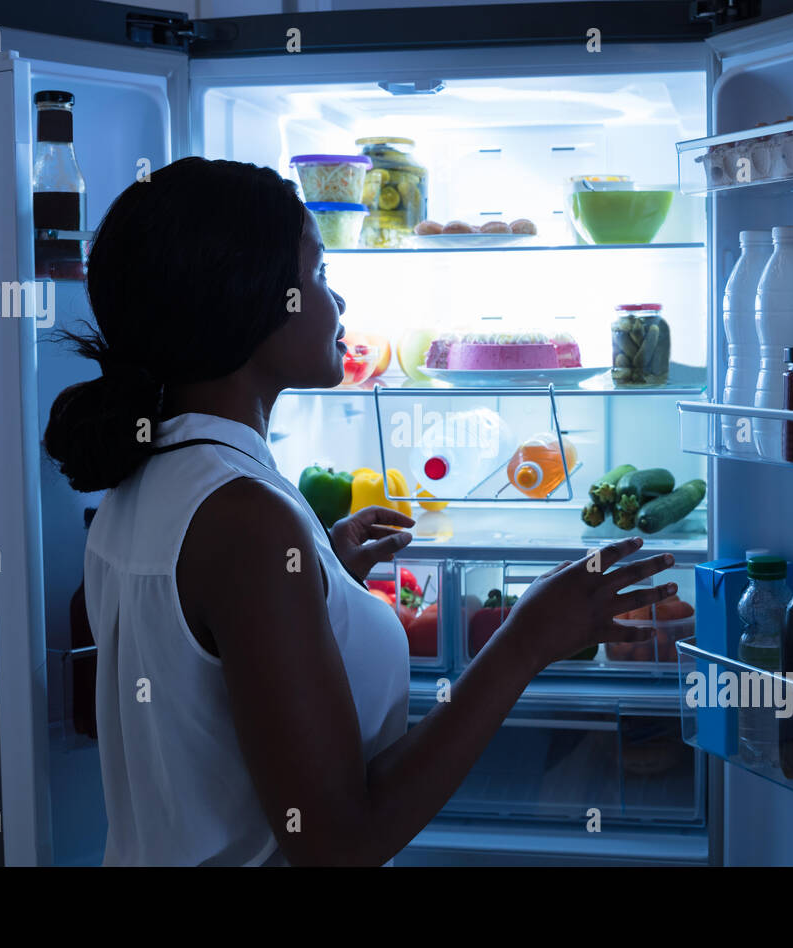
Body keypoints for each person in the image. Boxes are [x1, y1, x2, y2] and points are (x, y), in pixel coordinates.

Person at [43, 157, 676, 866]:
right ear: (250, 300)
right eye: (316, 274)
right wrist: (527, 639)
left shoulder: (151, 475)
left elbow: (206, 660)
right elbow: (338, 844)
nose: (337, 302)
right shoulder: (243, 518)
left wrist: (323, 577)